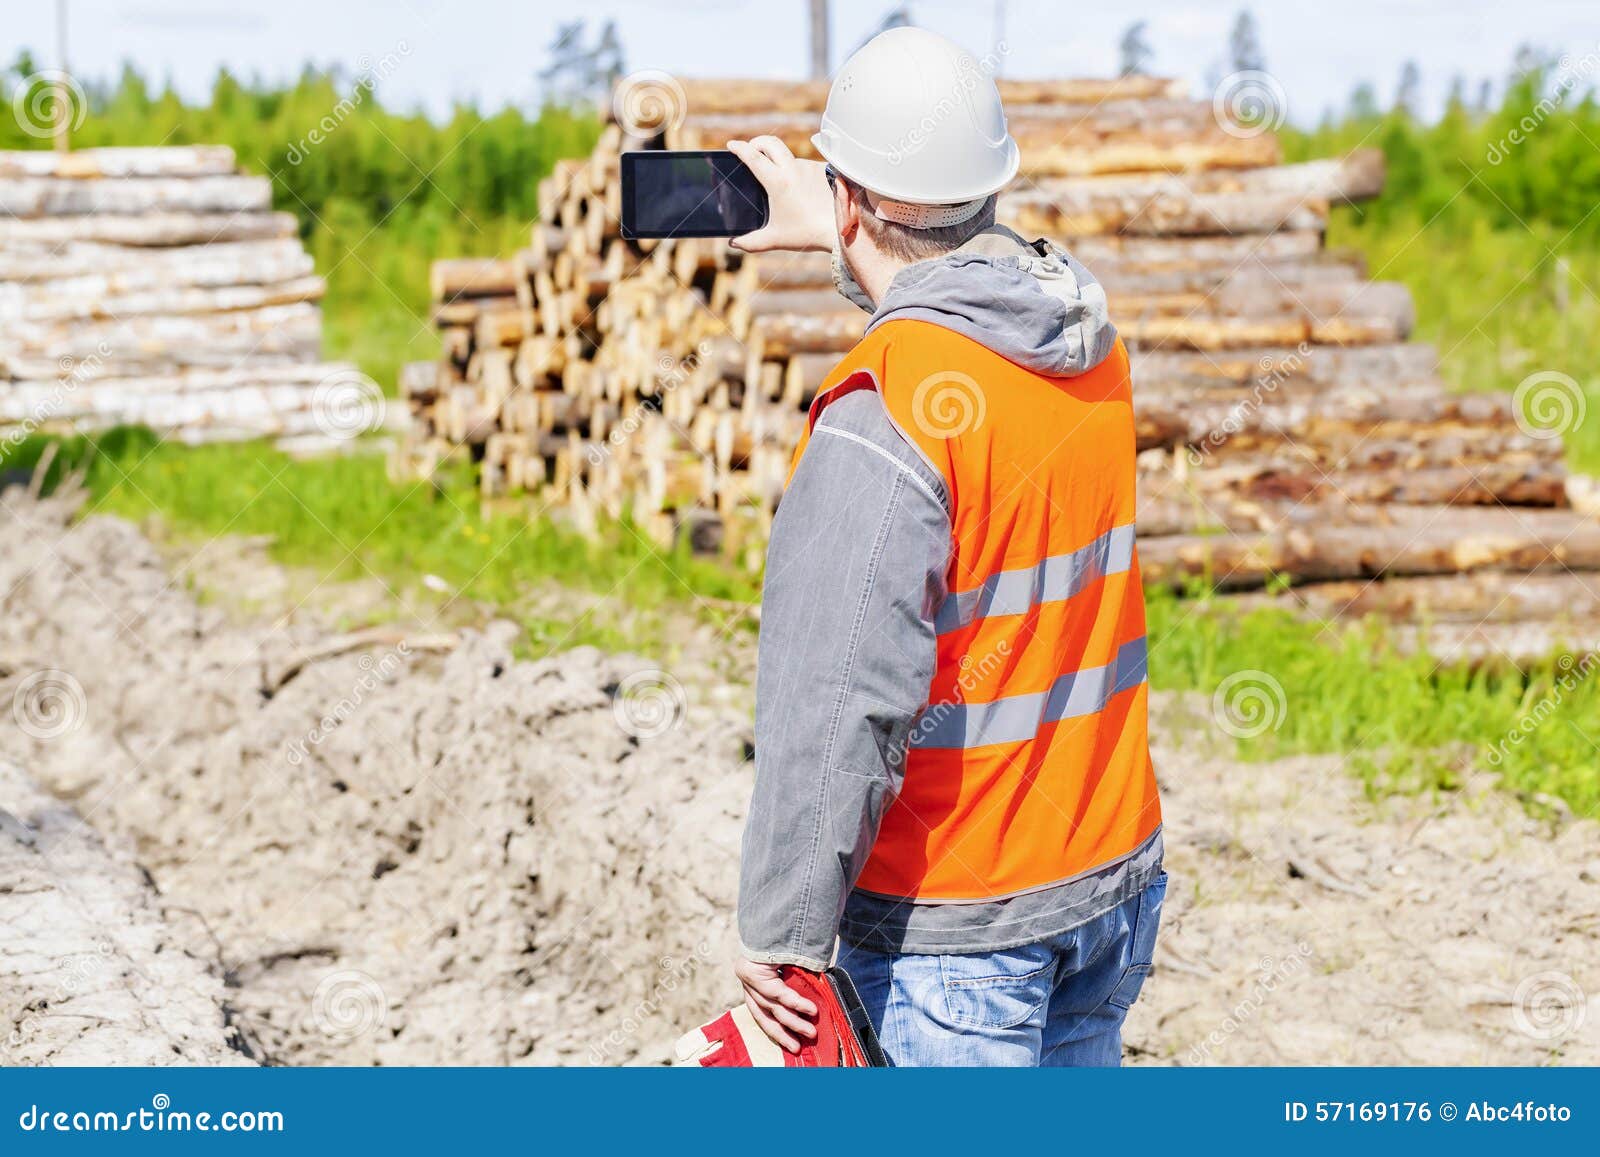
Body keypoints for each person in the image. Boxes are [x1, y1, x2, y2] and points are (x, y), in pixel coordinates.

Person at [728, 26, 1166, 1067]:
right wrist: (845, 217)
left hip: (961, 924)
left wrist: (782, 930)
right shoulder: (1080, 338)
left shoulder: (886, 407)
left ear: (846, 199)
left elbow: (839, 699)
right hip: (1107, 875)